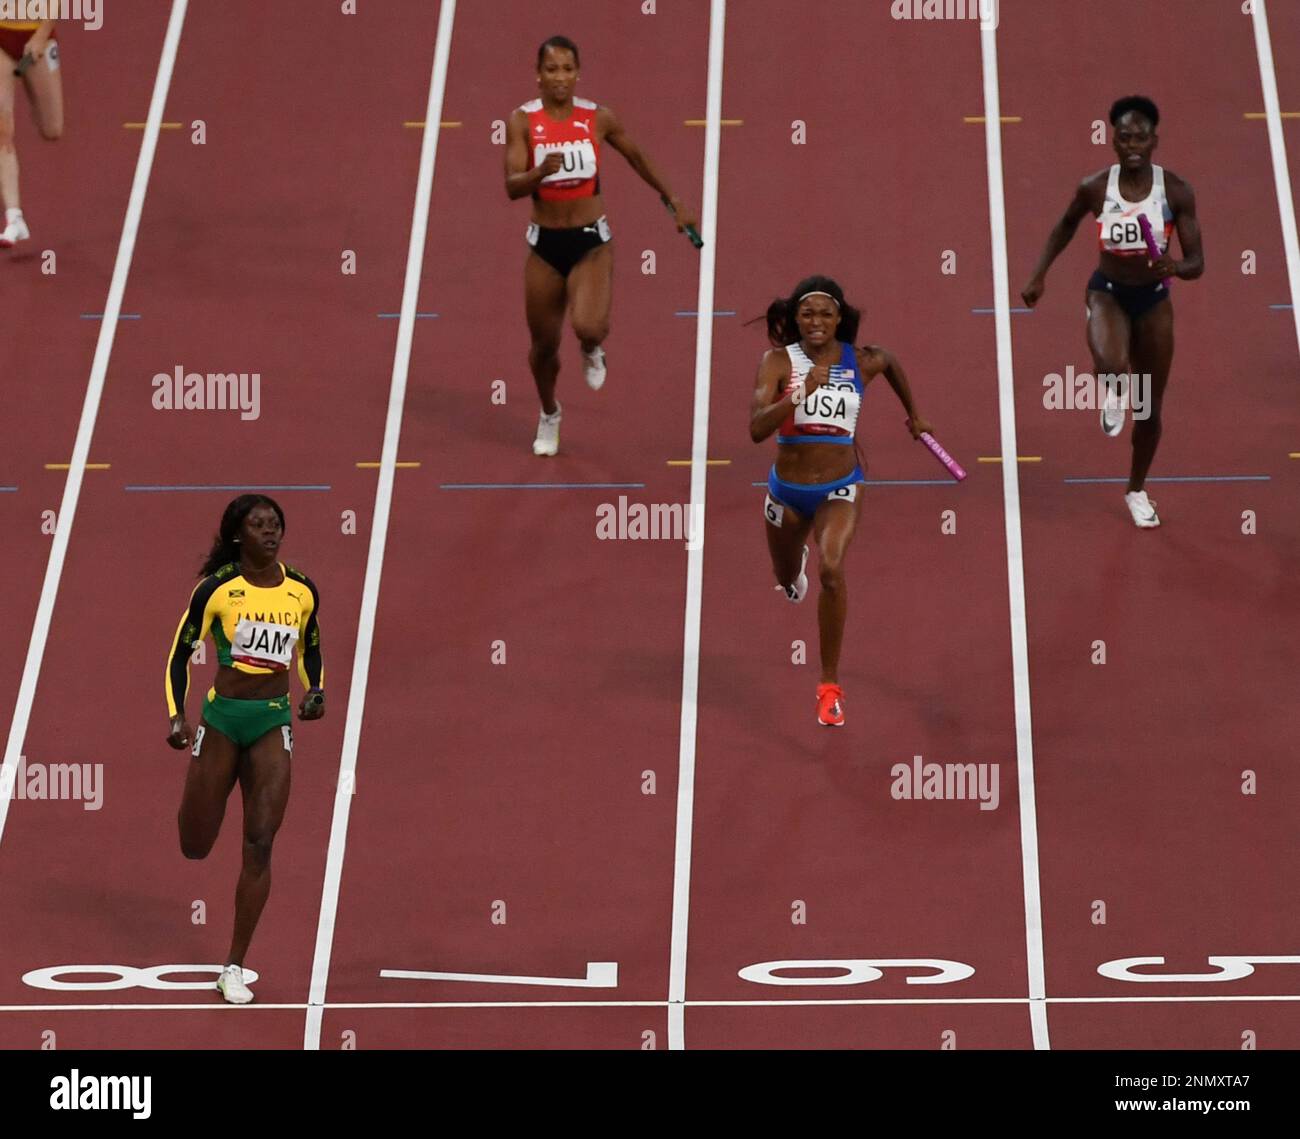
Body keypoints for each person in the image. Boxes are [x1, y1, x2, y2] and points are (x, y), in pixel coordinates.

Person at [504, 34, 699, 456]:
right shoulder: (522, 121)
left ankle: (592, 349)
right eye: (551, 69)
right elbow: (511, 187)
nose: (560, 77)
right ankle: (550, 412)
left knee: (589, 325)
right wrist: (539, 173)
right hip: (544, 245)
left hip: (591, 239)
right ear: (538, 75)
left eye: (568, 69)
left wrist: (675, 201)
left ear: (578, 74)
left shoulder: (598, 118)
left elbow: (638, 158)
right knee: (542, 350)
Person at [750, 276, 932, 727]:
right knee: (786, 575)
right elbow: (756, 430)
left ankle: (828, 686)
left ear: (839, 319)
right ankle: (793, 572)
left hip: (840, 487)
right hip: (787, 492)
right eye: (807, 314)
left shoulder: (860, 361)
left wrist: (915, 414)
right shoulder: (777, 361)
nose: (816, 322)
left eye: (825, 314)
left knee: (832, 569)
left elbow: (889, 362)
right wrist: (799, 393)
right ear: (795, 318)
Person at [164, 495, 324, 1004]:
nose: (270, 532)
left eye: (275, 523)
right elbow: (179, 656)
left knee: (260, 842)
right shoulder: (216, 591)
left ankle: (233, 965)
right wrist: (177, 715)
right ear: (238, 535)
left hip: (272, 722)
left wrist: (314, 691)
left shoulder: (301, 589)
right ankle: (197, 809)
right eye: (258, 525)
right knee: (195, 844)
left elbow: (311, 649)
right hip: (222, 721)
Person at [1021, 95, 1203, 528]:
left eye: (1141, 136)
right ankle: (1115, 388)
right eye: (1124, 136)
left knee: (1151, 412)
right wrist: (1039, 274)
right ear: (1113, 140)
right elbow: (1065, 225)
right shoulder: (1095, 187)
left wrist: (1175, 265)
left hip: (1155, 299)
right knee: (1110, 362)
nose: (1133, 143)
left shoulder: (1175, 191)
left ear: (1154, 140)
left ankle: (1137, 490)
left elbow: (1197, 263)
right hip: (1108, 292)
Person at [0, 16, 62, 248]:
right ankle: (14, 218)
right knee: (2, 129)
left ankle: (29, 83)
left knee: (52, 128)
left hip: (36, 36)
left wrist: (40, 36)